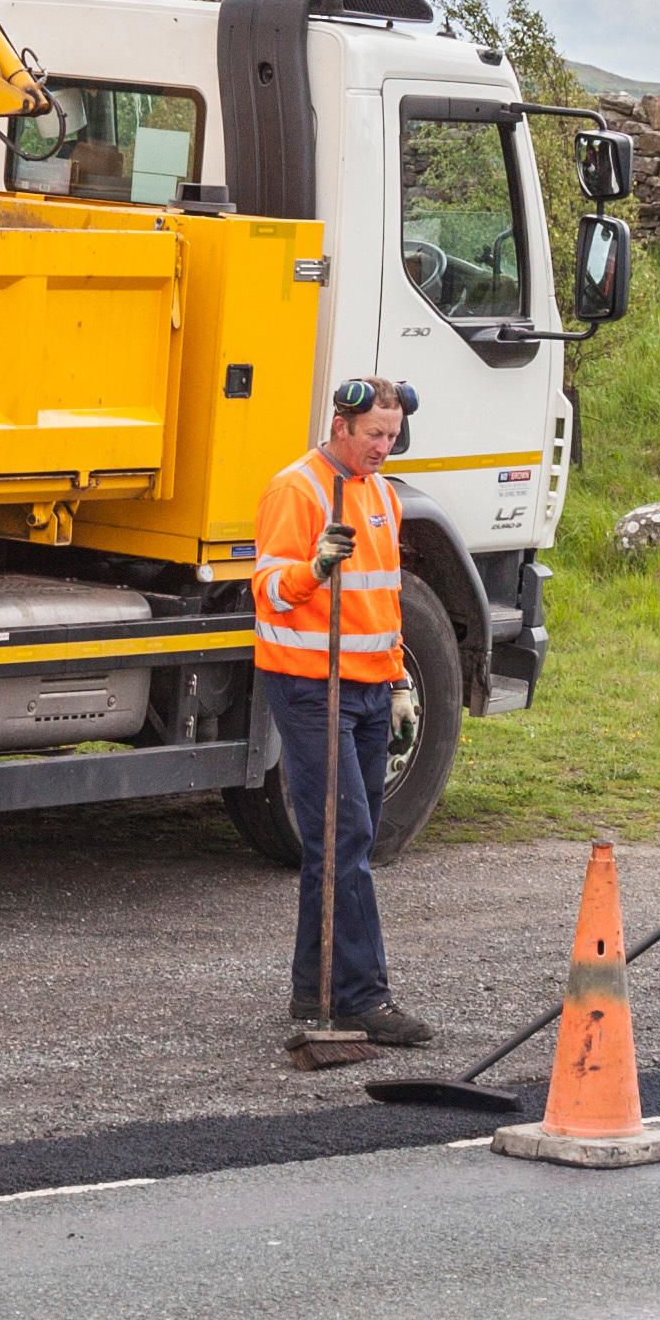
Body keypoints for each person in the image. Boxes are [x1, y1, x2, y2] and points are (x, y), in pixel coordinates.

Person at [254, 374, 427, 1045]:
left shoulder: (382, 495)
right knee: (343, 839)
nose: (383, 447)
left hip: (367, 688)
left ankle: (313, 990)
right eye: (373, 435)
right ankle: (362, 998)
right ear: (340, 426)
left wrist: (399, 683)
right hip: (309, 685)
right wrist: (315, 568)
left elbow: (383, 604)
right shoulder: (297, 489)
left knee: (347, 843)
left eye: (392, 435)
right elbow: (269, 589)